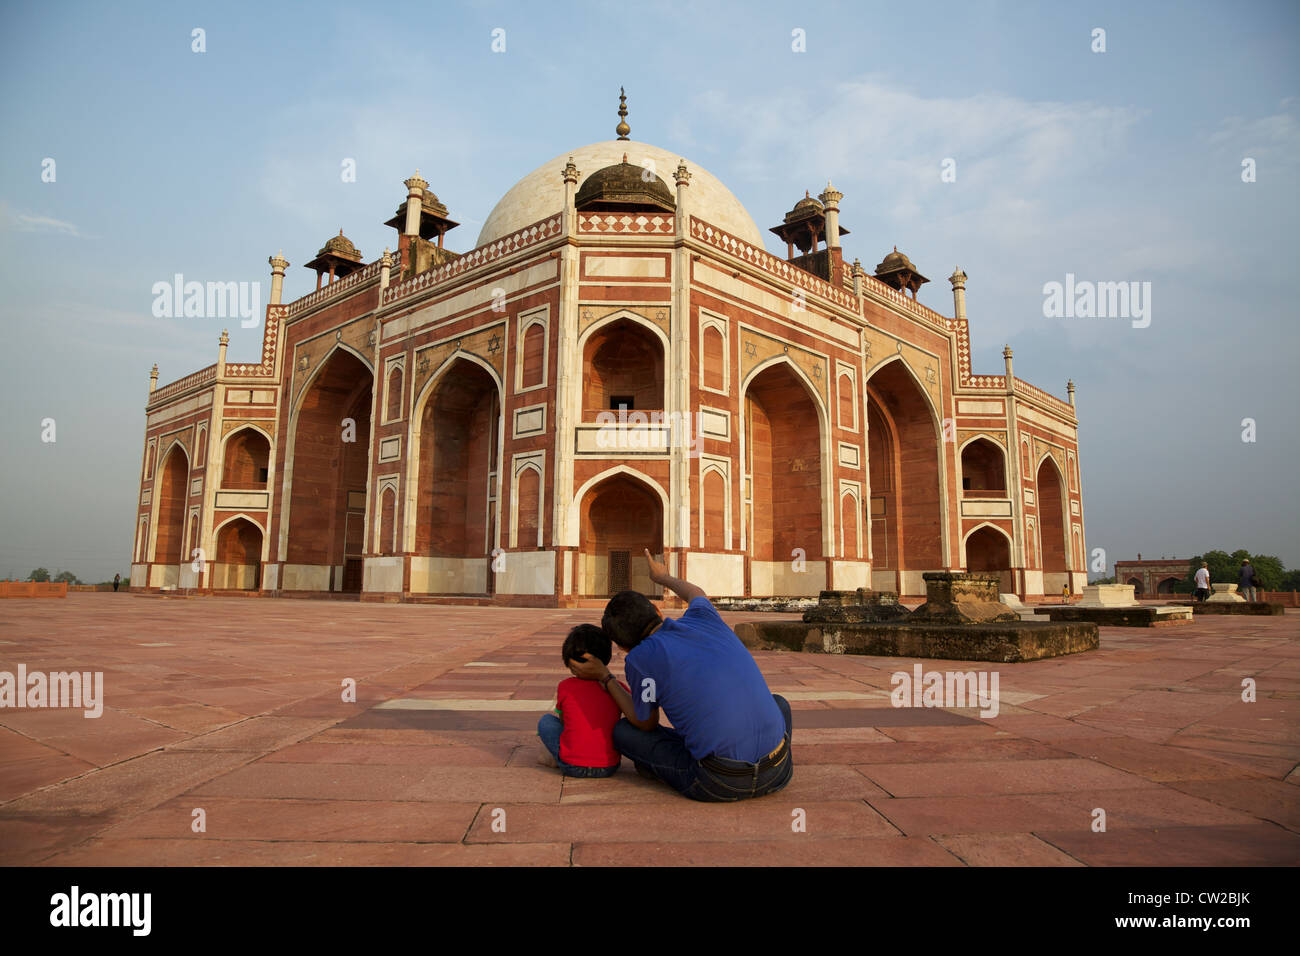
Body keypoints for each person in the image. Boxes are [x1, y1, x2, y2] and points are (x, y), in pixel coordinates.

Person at [569, 549, 792, 802]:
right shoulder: (704, 617)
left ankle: (661, 767)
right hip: (779, 770)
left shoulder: (641, 659)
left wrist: (606, 677)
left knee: (624, 732)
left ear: (623, 647)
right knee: (778, 704)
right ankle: (766, 764)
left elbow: (646, 723)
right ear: (657, 610)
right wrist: (663, 578)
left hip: (720, 783)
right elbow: (695, 593)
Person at [536, 624, 626, 778]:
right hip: (609, 766)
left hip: (572, 766)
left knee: (546, 722)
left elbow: (565, 723)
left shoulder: (565, 686)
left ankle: (557, 758)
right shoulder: (618, 688)